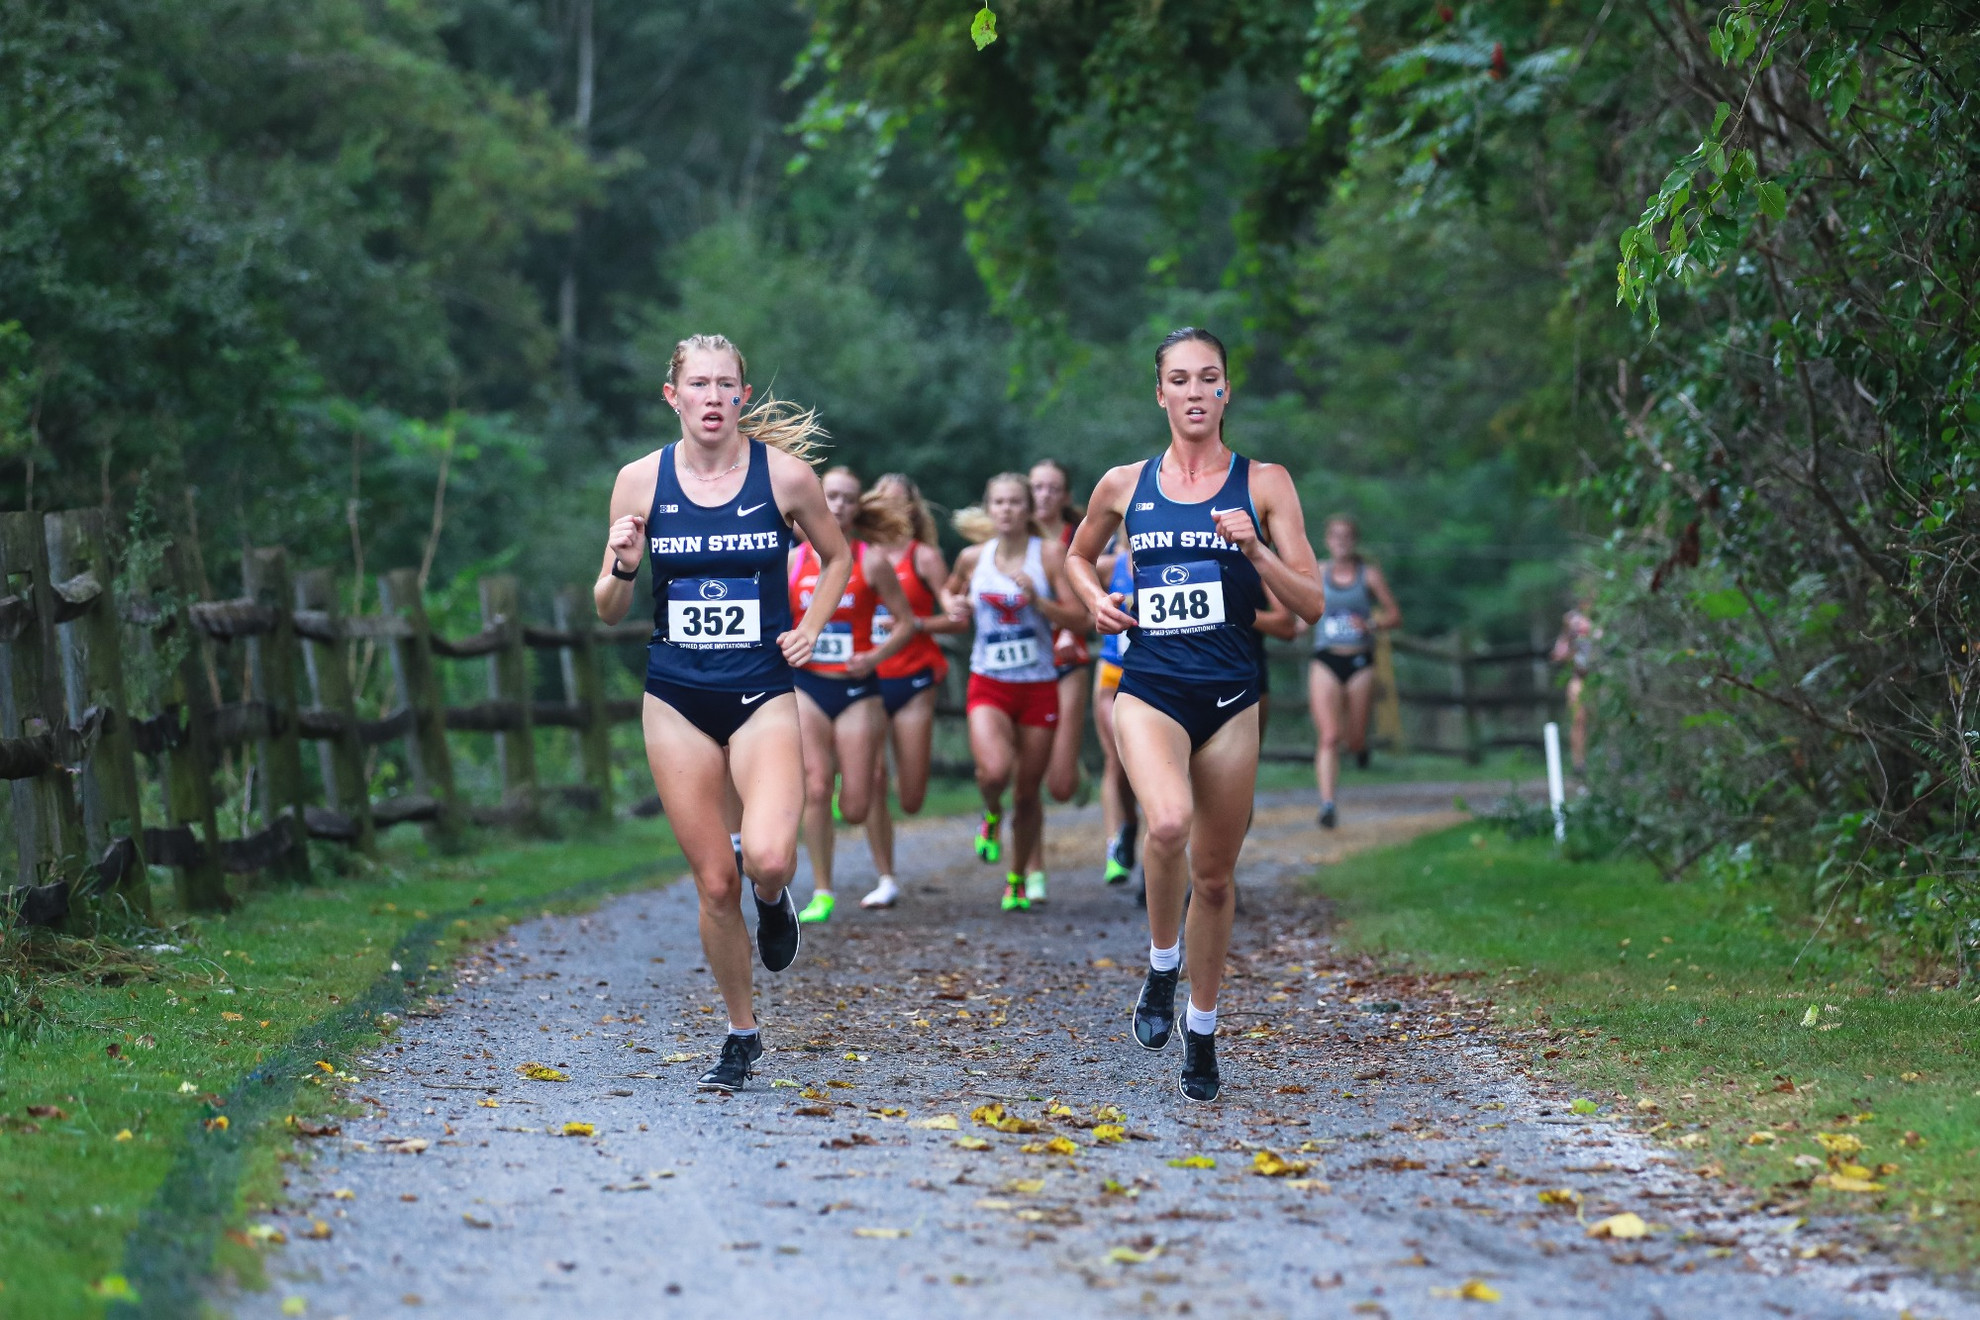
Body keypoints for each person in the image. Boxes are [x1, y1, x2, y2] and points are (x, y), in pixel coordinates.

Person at [1067, 326, 1323, 1103]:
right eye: (1179, 379)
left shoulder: (1265, 483)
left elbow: (1308, 606)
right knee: (1167, 823)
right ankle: (1160, 965)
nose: (1194, 393)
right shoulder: (1123, 483)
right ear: (1161, 394)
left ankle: (1203, 1033)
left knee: (1214, 878)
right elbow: (1078, 556)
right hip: (1149, 688)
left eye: (1208, 378)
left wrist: (1255, 554)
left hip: (1232, 695)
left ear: (1225, 391)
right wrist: (1094, 600)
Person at [595, 332, 847, 1093]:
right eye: (698, 384)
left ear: (742, 395)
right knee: (712, 883)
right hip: (675, 694)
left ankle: (774, 901)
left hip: (762, 688)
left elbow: (837, 558)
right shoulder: (639, 483)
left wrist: (809, 626)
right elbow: (609, 609)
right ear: (673, 396)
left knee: (766, 858)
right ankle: (742, 1034)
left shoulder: (787, 478)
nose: (712, 397)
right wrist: (622, 562)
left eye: (725, 384)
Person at [944, 474, 1088, 911]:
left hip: (1038, 685)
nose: (1006, 510)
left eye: (1014, 503)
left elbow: (1081, 619)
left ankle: (1017, 878)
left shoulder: (1048, 555)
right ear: (989, 510)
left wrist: (1039, 603)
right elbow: (949, 601)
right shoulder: (972, 558)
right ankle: (990, 814)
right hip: (989, 682)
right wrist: (956, 607)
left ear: (1027, 510)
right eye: (998, 502)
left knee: (1028, 792)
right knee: (993, 771)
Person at [787, 468, 920, 924]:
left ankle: (886, 875)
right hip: (808, 686)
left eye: (847, 498)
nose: (839, 505)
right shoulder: (793, 561)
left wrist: (874, 656)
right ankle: (822, 890)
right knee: (816, 785)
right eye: (831, 497)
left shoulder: (871, 560)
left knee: (858, 801)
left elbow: (906, 623)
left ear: (857, 506)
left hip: (858, 688)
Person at [858, 473, 963, 909]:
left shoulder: (924, 557)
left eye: (900, 501)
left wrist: (923, 622)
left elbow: (954, 616)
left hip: (915, 675)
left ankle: (909, 801)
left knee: (912, 796)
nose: (892, 508)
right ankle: (885, 876)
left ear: (913, 510)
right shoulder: (857, 555)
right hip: (868, 676)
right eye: (883, 499)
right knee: (873, 778)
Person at [1307, 516, 1401, 828]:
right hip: (1326, 658)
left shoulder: (1368, 575)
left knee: (1355, 737)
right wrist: (1294, 624)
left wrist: (1371, 624)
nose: (1341, 542)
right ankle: (1327, 804)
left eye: (1347, 536)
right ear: (1327, 540)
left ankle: (1360, 750)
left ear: (1354, 540)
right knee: (1330, 736)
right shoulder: (1319, 571)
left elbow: (1393, 615)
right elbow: (1304, 605)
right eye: (1335, 536)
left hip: (1360, 660)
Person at [1031, 459, 1092, 805]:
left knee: (1060, 787)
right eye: (1037, 487)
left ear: (1065, 497)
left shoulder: (1080, 539)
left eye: (1053, 489)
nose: (1044, 495)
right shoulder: (1011, 538)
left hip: (1069, 654)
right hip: (1021, 661)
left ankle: (1073, 769)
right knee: (1026, 769)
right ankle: (1031, 857)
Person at [1092, 538, 1138, 887]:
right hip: (1112, 673)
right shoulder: (1110, 566)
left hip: (1155, 675)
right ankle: (1115, 845)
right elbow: (1077, 597)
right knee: (1117, 759)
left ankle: (1140, 831)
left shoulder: (1170, 559)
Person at [1550, 596, 1599, 776]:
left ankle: (1607, 760)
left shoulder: (1602, 622)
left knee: (1601, 719)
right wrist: (1567, 631)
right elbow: (1559, 655)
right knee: (1578, 720)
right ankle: (1579, 762)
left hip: (1601, 678)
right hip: (1580, 677)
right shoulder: (1573, 624)